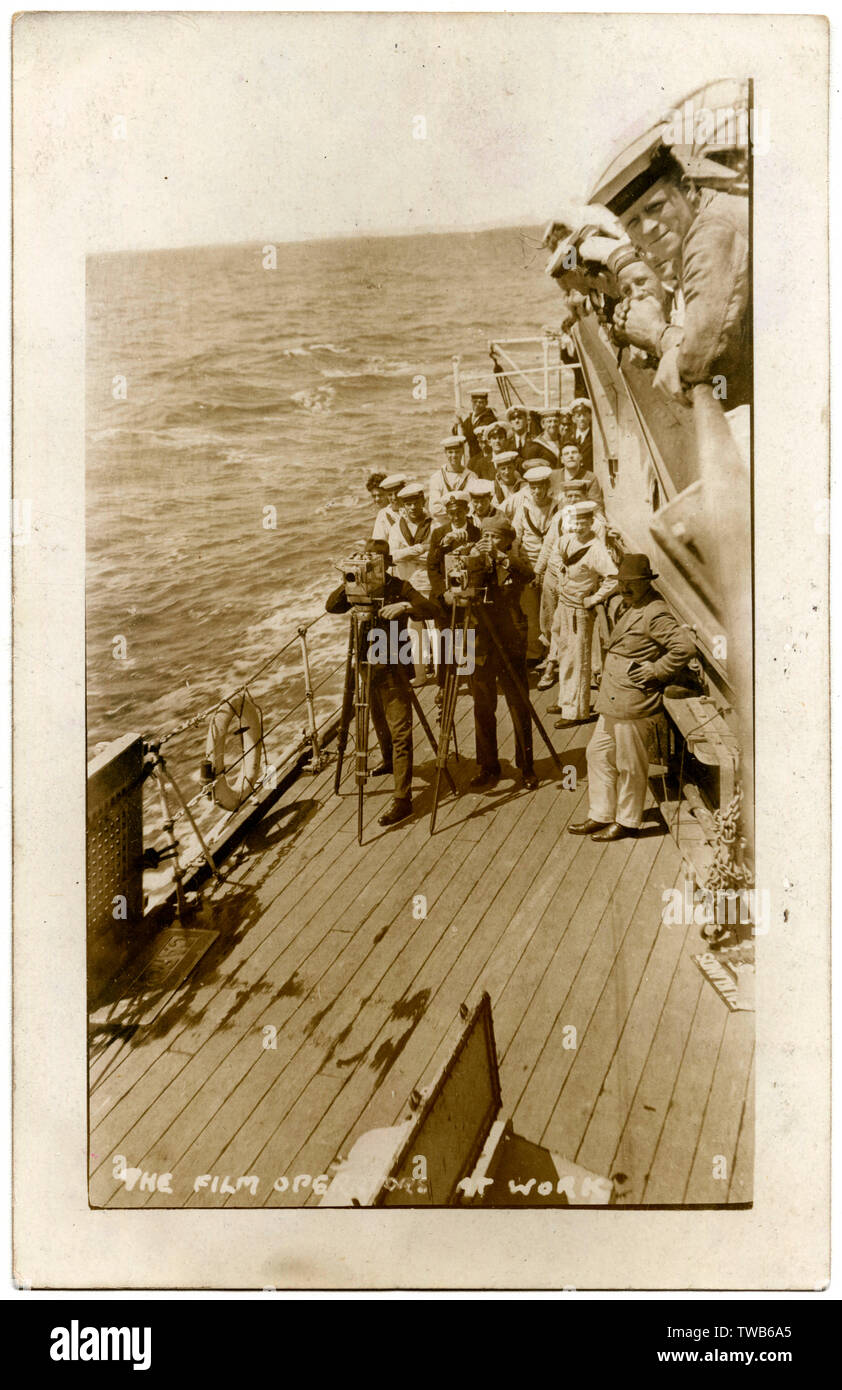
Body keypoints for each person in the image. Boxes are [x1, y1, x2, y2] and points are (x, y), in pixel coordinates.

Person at [568, 553, 696, 841]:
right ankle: (601, 814)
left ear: (646, 583)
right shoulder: (630, 604)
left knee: (629, 764)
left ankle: (627, 821)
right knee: (598, 753)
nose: (625, 588)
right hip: (614, 698)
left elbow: (685, 648)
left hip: (633, 700)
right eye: (622, 582)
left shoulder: (654, 612)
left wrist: (656, 670)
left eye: (632, 584)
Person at [325, 539, 441, 828]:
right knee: (377, 718)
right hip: (366, 666)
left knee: (400, 729)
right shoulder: (358, 588)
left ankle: (403, 800)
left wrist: (404, 607)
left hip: (392, 666)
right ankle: (388, 760)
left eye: (377, 563)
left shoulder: (399, 587)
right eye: (368, 562)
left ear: (388, 563)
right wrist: (349, 579)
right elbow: (332, 606)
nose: (372, 568)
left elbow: (430, 610)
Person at [446, 513, 537, 792]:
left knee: (518, 703)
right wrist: (466, 558)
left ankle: (527, 767)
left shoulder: (512, 560)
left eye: (495, 537)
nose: (488, 541)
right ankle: (488, 766)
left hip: (509, 640)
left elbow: (528, 574)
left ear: (507, 541)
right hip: (479, 642)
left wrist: (498, 556)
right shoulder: (471, 560)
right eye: (485, 536)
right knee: (482, 706)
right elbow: (451, 592)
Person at [544, 502, 617, 723]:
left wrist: (593, 598)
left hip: (579, 610)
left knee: (578, 659)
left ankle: (576, 711)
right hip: (563, 606)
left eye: (582, 523)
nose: (578, 527)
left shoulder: (596, 549)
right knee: (564, 654)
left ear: (591, 522)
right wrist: (561, 574)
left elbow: (613, 577)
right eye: (574, 522)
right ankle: (566, 700)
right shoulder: (566, 539)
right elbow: (555, 557)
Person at [427, 494, 481, 706]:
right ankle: (444, 685)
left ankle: (473, 680)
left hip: (468, 594)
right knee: (445, 640)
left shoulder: (476, 532)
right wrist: (444, 593)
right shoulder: (439, 534)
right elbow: (431, 567)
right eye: (451, 513)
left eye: (459, 512)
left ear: (466, 511)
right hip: (446, 598)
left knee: (470, 638)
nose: (455, 516)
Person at [509, 465, 558, 662]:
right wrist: (517, 564)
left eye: (540, 487)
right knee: (530, 611)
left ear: (547, 486)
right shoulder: (523, 509)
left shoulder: (558, 508)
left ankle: (553, 654)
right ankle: (534, 653)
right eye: (533, 488)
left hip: (551, 567)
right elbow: (515, 538)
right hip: (528, 566)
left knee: (551, 612)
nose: (537, 492)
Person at [389, 482, 435, 685]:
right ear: (403, 506)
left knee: (435, 630)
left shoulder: (434, 526)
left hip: (429, 584)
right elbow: (392, 556)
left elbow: (435, 556)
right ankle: (421, 674)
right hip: (408, 587)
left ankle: (443, 675)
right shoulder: (396, 529)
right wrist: (417, 550)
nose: (412, 508)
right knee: (414, 631)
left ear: (422, 501)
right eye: (408, 504)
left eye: (416, 502)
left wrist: (411, 555)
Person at [429, 436, 477, 522]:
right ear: (445, 453)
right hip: (443, 524)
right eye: (450, 452)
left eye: (457, 452)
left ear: (462, 452)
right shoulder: (437, 477)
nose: (454, 455)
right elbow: (434, 509)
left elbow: (473, 505)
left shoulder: (471, 476)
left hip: (465, 522)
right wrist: (458, 512)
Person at [371, 474, 408, 542]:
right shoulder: (383, 515)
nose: (394, 498)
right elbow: (378, 542)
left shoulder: (413, 509)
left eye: (397, 493)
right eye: (390, 495)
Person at [569, 399, 594, 472]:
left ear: (590, 417)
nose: (582, 419)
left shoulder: (595, 437)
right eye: (578, 416)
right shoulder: (567, 437)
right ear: (573, 419)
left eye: (585, 415)